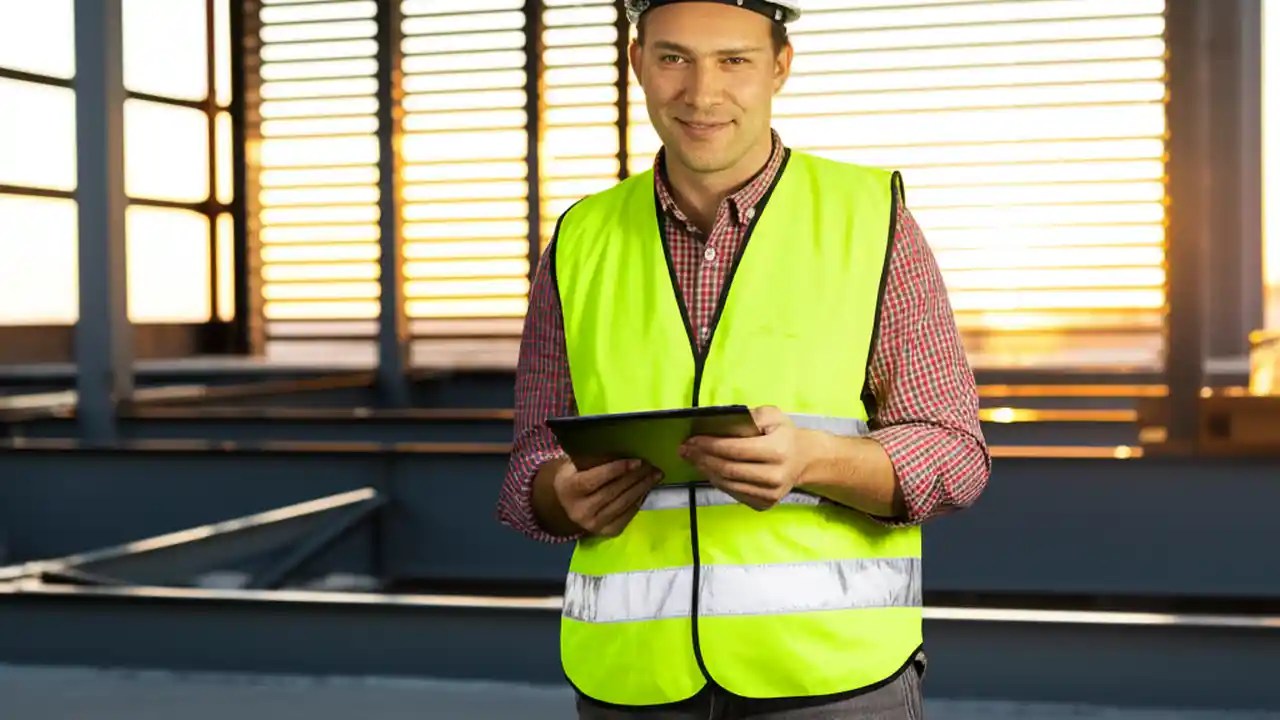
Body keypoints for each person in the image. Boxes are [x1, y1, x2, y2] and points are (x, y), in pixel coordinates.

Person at [496, 0, 991, 717]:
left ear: (780, 67)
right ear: (636, 63)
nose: (701, 94)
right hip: (631, 685)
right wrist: (559, 495)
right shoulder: (579, 241)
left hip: (831, 680)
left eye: (734, 61)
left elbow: (954, 456)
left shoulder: (873, 220)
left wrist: (813, 461)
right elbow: (527, 466)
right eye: (673, 59)